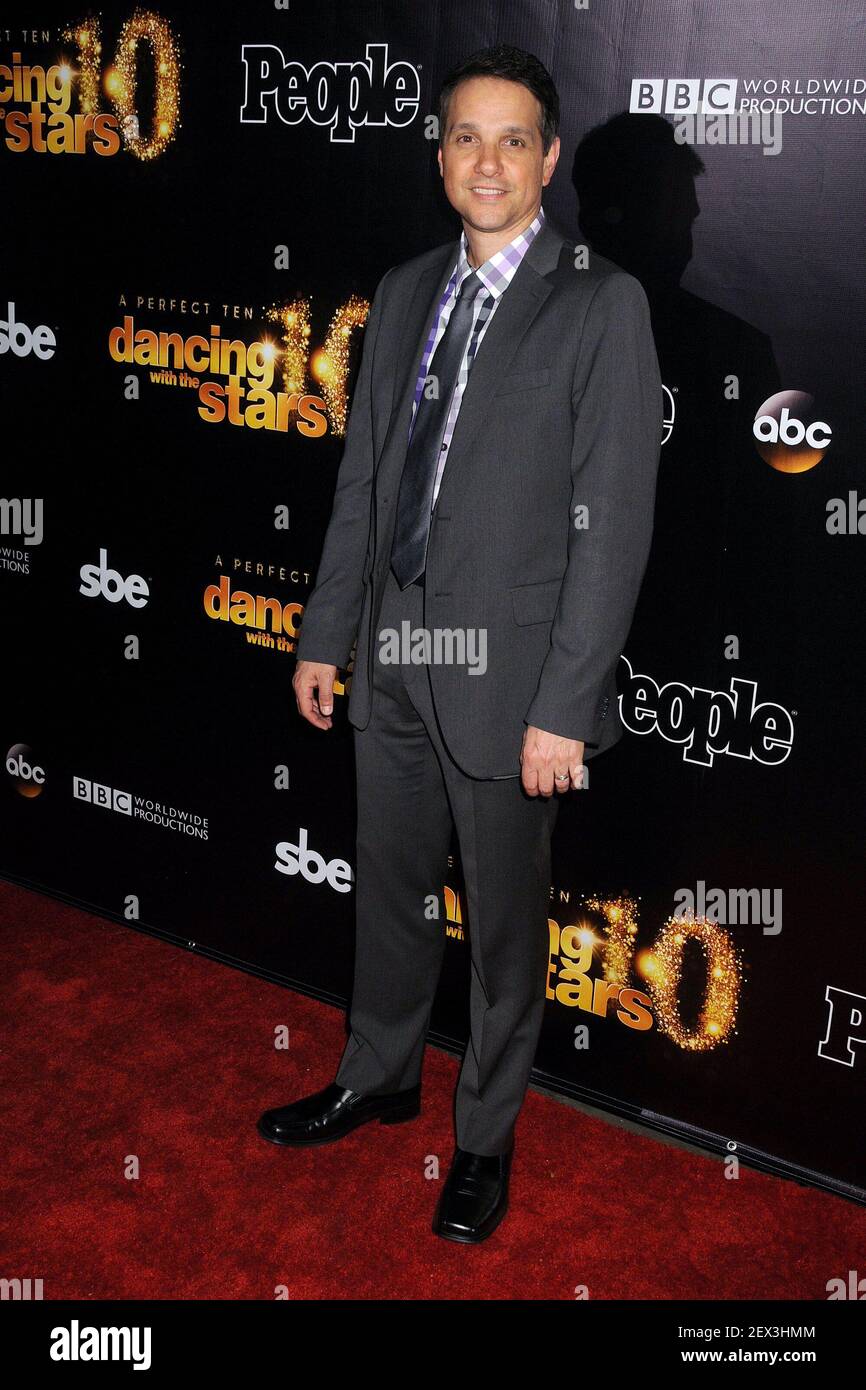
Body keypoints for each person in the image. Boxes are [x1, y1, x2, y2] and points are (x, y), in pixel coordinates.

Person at [257, 43, 662, 1244]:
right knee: (386, 894)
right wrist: (326, 634)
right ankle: (377, 1076)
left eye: (510, 139)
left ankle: (481, 1139)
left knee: (498, 932)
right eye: (463, 138)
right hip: (387, 656)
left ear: (545, 160)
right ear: (439, 158)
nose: (484, 160)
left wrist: (562, 705)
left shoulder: (601, 301)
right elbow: (365, 480)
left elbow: (613, 529)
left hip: (509, 681)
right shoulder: (403, 288)